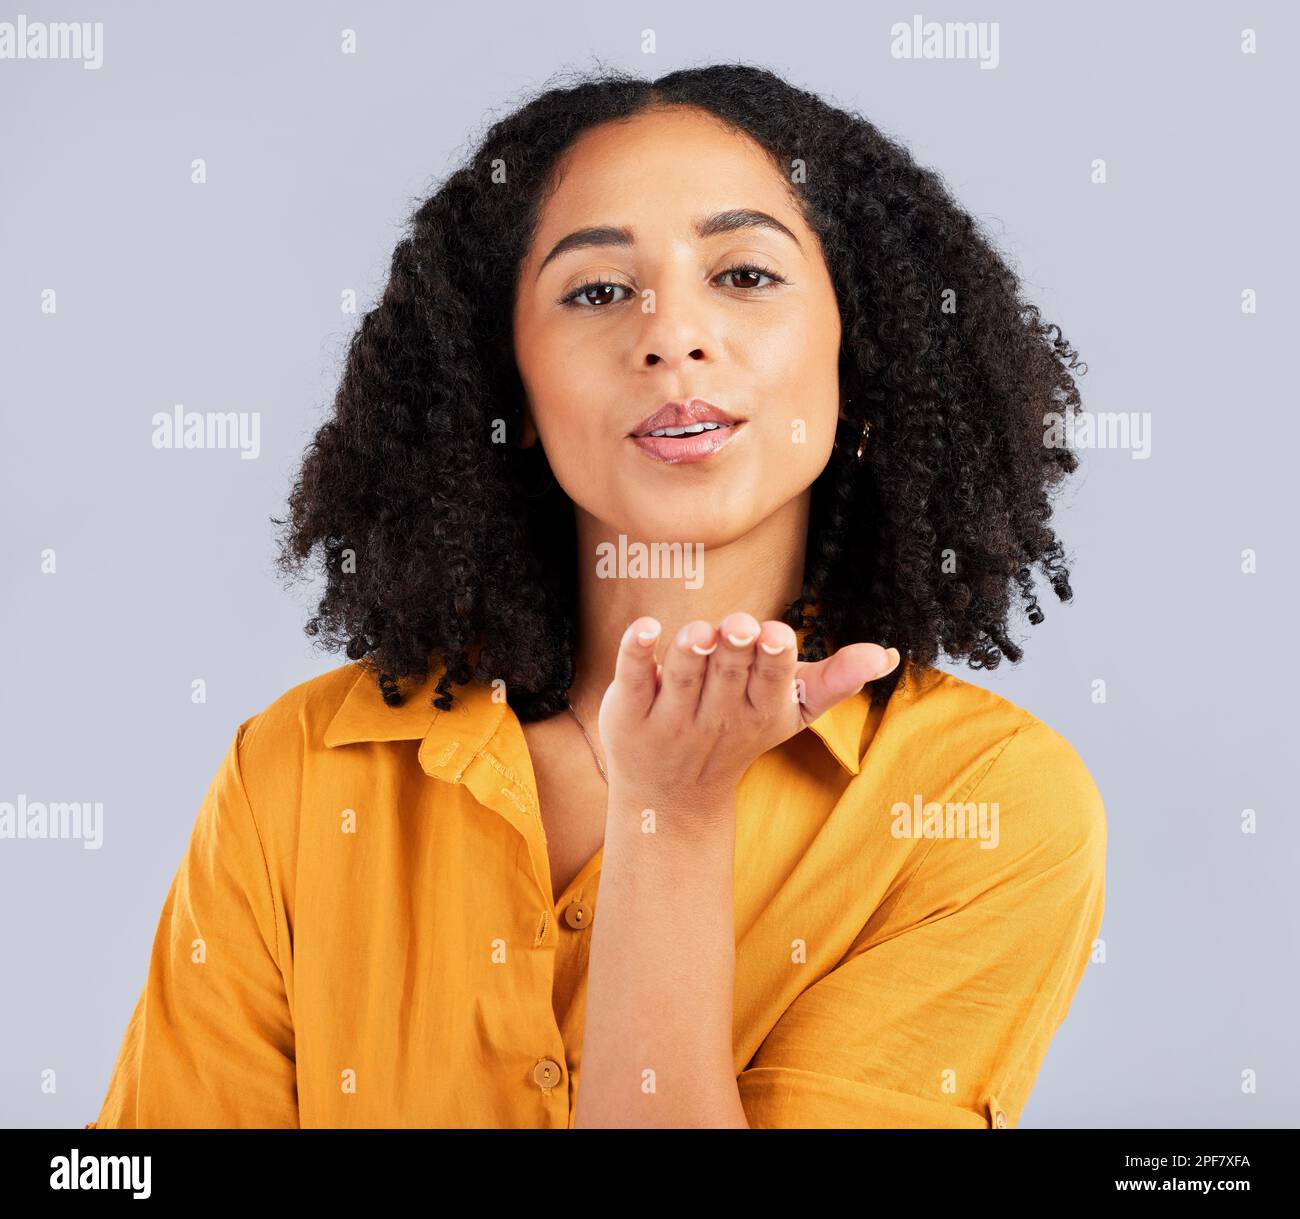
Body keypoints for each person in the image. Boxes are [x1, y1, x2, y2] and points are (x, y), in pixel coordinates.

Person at [88, 62, 1104, 1130]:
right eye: (598, 291)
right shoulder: (297, 771)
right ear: (509, 390)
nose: (672, 335)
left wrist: (672, 810)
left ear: (865, 356)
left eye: (746, 275)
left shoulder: (989, 806)